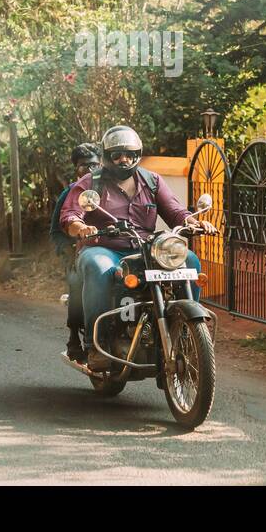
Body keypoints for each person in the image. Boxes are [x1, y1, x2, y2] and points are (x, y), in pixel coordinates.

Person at [59, 125, 211, 370]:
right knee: (99, 269)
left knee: (189, 261)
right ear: (107, 156)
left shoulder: (151, 181)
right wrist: (81, 227)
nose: (124, 159)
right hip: (104, 246)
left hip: (144, 247)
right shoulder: (92, 183)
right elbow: (70, 215)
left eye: (129, 154)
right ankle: (97, 345)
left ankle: (186, 330)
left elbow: (175, 212)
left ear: (138, 154)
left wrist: (194, 221)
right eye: (117, 154)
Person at [50, 142, 102, 362]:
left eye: (94, 165)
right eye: (84, 166)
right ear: (76, 169)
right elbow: (56, 229)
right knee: (76, 283)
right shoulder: (71, 192)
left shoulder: (109, 188)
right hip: (78, 251)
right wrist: (69, 252)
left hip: (108, 249)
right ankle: (74, 339)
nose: (89, 171)